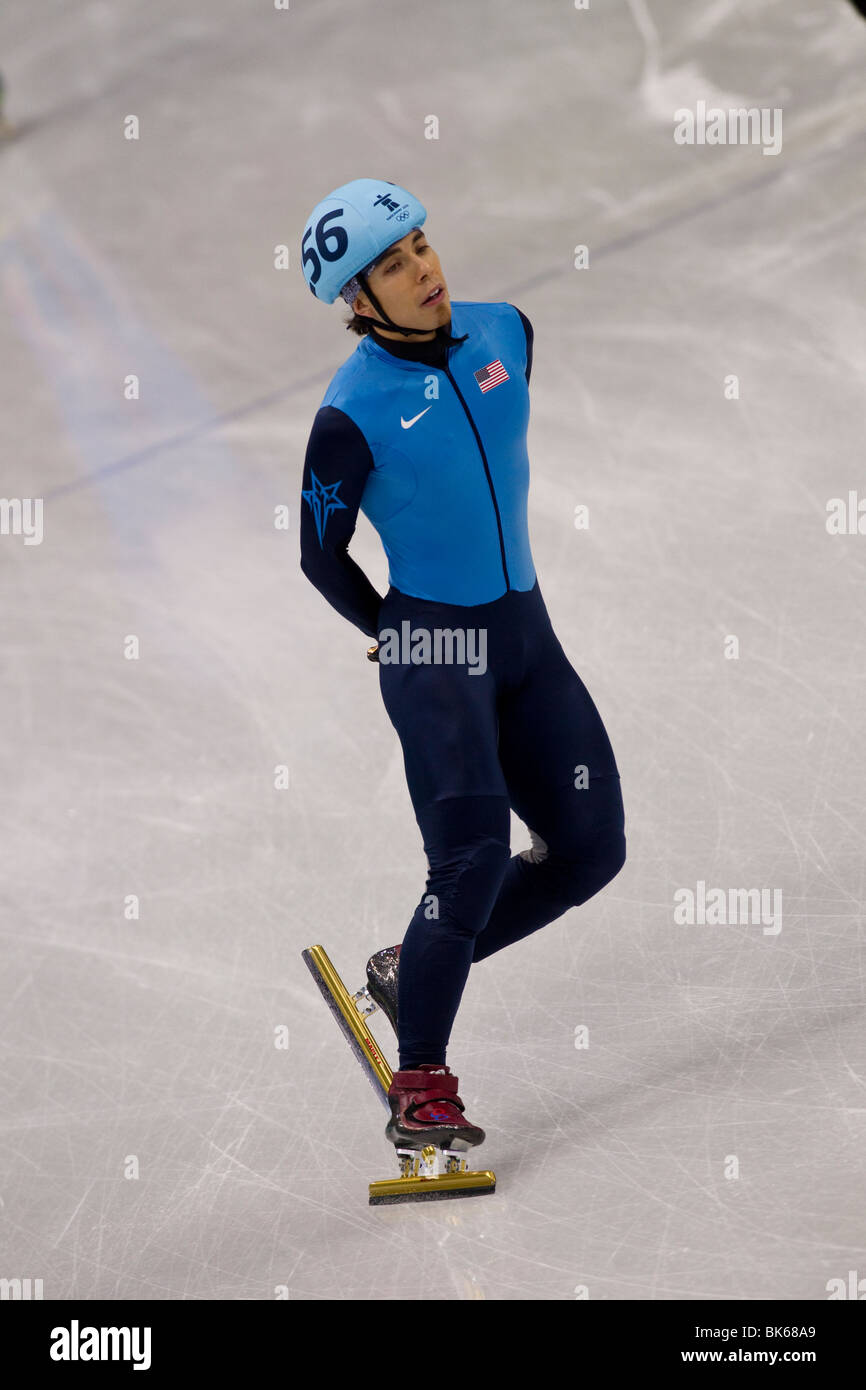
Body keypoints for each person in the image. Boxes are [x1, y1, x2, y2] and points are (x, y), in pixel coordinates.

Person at [299, 178, 626, 1152]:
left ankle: (414, 965)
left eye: (422, 245)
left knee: (588, 850)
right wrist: (390, 631)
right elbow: (320, 554)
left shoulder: (505, 332)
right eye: (393, 265)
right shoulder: (348, 415)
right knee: (472, 859)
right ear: (357, 302)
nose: (423, 270)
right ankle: (421, 1081)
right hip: (437, 654)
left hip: (524, 636)